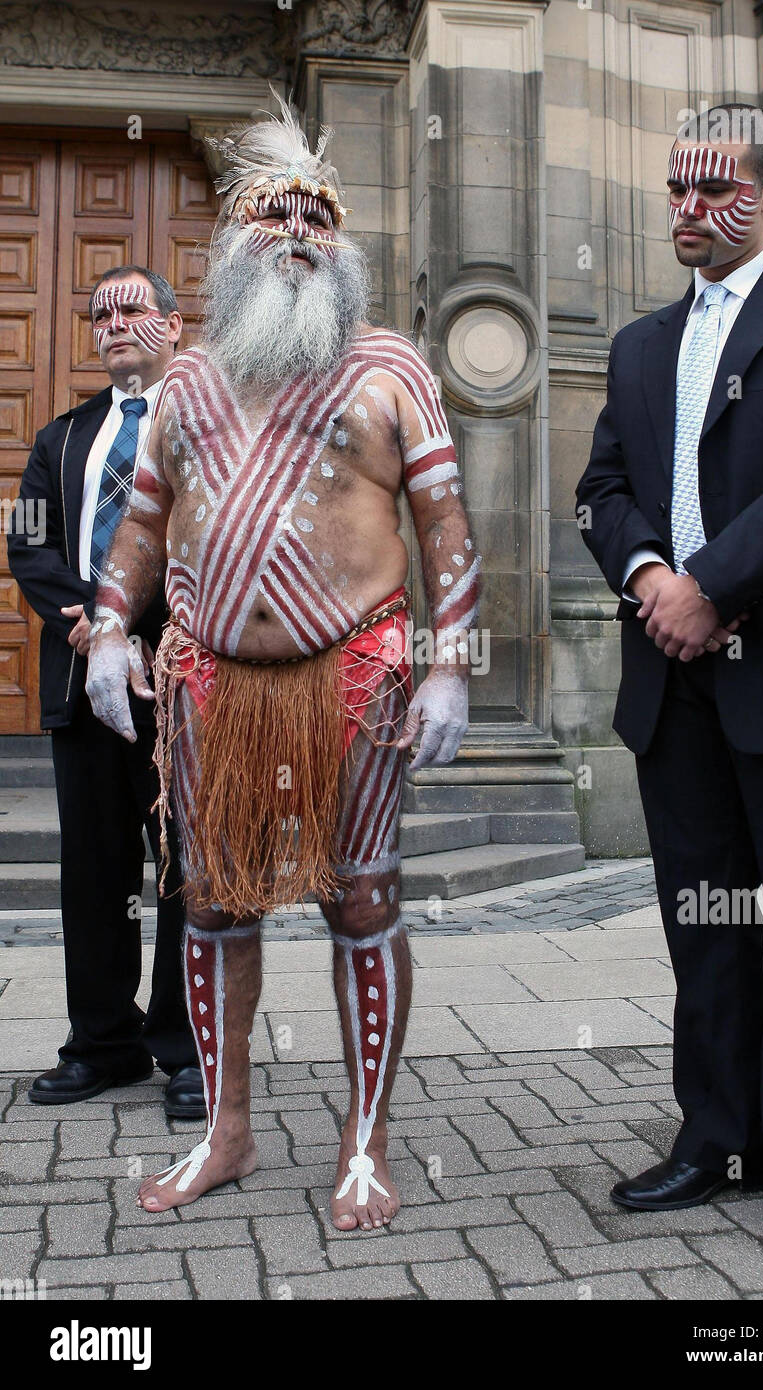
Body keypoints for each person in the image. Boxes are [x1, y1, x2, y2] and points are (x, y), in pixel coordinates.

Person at [85, 99, 481, 1232]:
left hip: (353, 675)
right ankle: (228, 1127)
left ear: (343, 248)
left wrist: (450, 665)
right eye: (275, 218)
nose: (299, 233)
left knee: (361, 900)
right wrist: (111, 629)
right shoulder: (190, 385)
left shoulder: (389, 368)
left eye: (318, 218)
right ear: (234, 246)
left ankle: (366, 1143)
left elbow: (446, 525)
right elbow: (141, 529)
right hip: (211, 683)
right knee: (211, 905)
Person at [576, 103, 763, 1257]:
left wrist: (712, 584)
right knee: (705, 921)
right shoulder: (641, 342)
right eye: (677, 193)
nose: (690, 212)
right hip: (670, 672)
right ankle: (717, 1137)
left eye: (719, 192)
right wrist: (652, 575)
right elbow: (602, 489)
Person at [8, 266, 205, 1120]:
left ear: (172, 323)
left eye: (133, 308)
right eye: (101, 313)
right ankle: (102, 1043)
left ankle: (188, 1051)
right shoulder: (60, 437)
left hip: (184, 680)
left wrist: (139, 623)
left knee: (188, 872)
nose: (115, 322)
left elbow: (223, 542)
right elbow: (28, 544)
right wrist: (93, 621)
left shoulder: (210, 427)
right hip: (83, 679)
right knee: (93, 872)